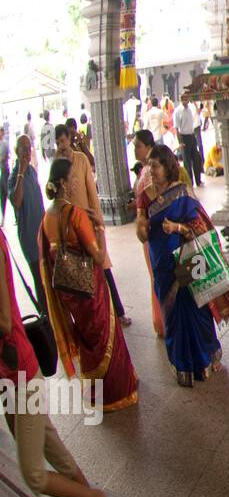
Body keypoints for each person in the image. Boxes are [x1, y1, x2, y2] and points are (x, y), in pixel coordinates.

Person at [1, 229, 122, 497]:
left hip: (17, 374)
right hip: (9, 376)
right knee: (55, 452)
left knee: (35, 476)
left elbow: (2, 319)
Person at [138, 144, 229, 386]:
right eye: (149, 166)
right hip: (161, 264)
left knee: (196, 309)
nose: (151, 171)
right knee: (172, 314)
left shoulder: (183, 194)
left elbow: (201, 229)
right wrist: (141, 226)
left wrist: (176, 228)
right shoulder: (145, 195)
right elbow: (142, 231)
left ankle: (205, 357)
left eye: (155, 166)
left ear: (167, 167)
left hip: (187, 262)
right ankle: (181, 364)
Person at [39, 159, 139, 411]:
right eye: (72, 179)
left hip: (68, 291)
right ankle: (117, 393)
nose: (76, 183)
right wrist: (100, 227)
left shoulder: (46, 217)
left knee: (86, 337)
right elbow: (97, 256)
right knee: (105, 335)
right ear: (62, 183)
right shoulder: (76, 215)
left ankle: (96, 392)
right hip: (89, 289)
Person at [54, 125, 129, 327]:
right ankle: (94, 318)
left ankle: (119, 312)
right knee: (81, 271)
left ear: (69, 139)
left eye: (63, 141)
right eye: (58, 142)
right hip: (70, 226)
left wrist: (98, 220)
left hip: (87, 220)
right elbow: (53, 193)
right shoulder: (57, 163)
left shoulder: (81, 159)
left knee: (103, 265)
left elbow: (91, 190)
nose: (61, 145)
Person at [131, 131, 165, 337]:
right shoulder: (145, 174)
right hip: (155, 237)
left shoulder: (148, 175)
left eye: (138, 146)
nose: (135, 150)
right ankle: (163, 322)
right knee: (158, 277)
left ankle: (164, 322)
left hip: (164, 236)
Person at [7, 135, 45, 315]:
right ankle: (46, 320)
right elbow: (17, 200)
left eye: (29, 148)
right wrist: (21, 172)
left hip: (42, 232)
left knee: (49, 278)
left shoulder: (33, 171)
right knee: (40, 281)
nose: (27, 152)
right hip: (29, 237)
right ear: (16, 151)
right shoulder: (14, 176)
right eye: (23, 149)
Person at [174, 99, 203, 187]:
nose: (186, 100)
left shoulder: (190, 108)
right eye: (184, 98)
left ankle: (198, 180)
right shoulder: (178, 111)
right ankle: (190, 182)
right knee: (187, 162)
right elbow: (177, 128)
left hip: (191, 135)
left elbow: (197, 116)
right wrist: (180, 142)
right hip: (184, 137)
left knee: (196, 158)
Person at [0, 123, 9, 226]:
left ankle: (16, 215)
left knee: (7, 193)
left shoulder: (4, 144)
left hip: (5, 172)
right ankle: (3, 217)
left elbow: (2, 157)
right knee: (2, 196)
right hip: (2, 172)